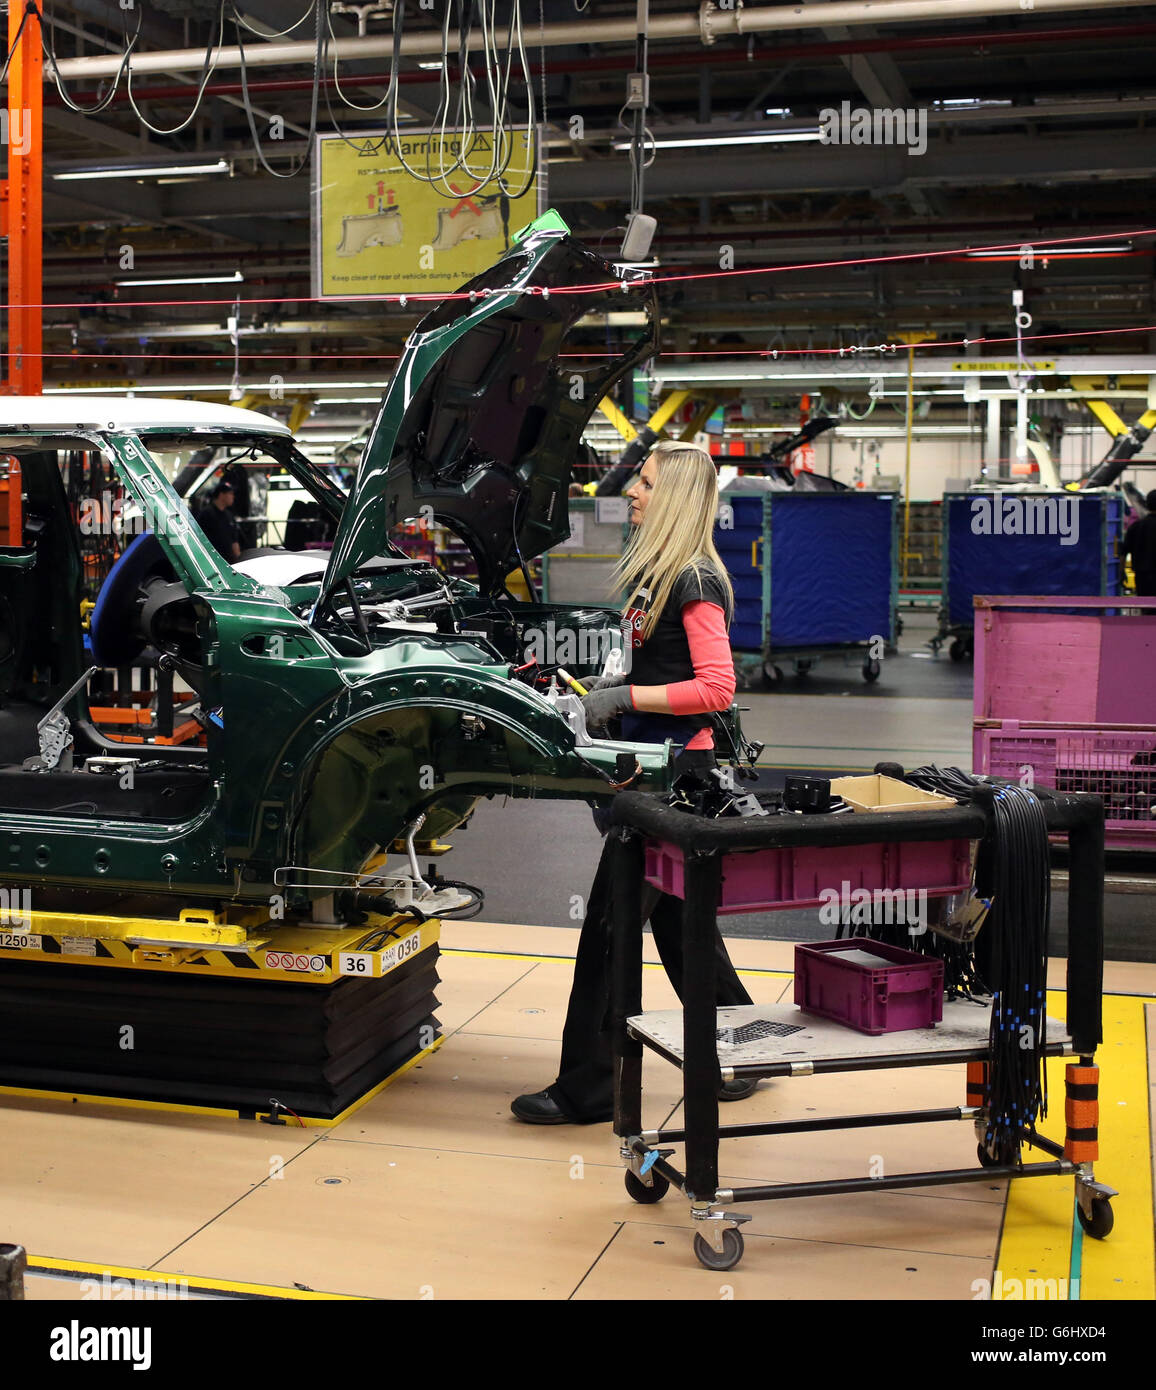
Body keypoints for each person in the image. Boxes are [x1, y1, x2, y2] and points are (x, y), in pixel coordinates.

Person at [511, 441, 756, 1125]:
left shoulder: (695, 581)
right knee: (680, 925)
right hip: (656, 772)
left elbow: (716, 688)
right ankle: (738, 1048)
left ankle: (588, 1088)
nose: (634, 495)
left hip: (674, 784)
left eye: (645, 485)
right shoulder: (660, 576)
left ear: (673, 497)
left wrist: (624, 701)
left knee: (609, 930)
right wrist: (614, 690)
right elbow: (664, 672)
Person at [197, 481, 242, 563]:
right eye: (230, 493)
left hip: (229, 562)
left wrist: (239, 560)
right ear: (221, 495)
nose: (233, 497)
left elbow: (234, 541)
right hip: (212, 561)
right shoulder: (206, 514)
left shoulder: (229, 516)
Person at [1124, 490, 1156, 596]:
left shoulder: (1136, 526)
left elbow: (1124, 552)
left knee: (1146, 608)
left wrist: (1120, 573)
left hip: (1142, 578)